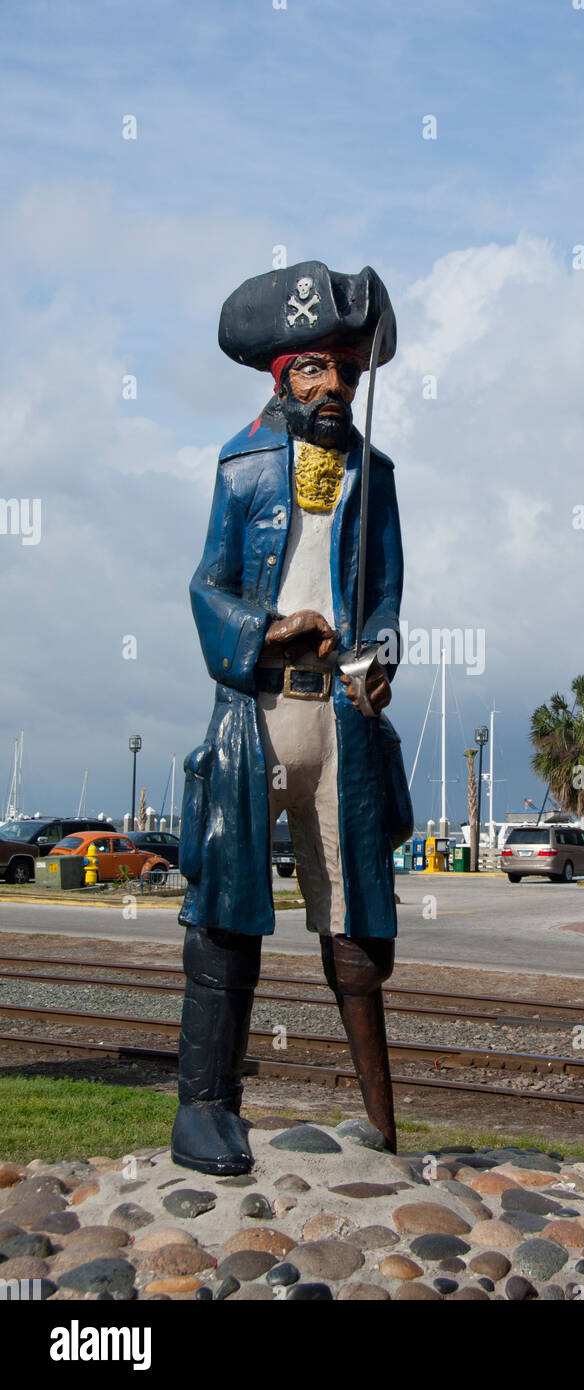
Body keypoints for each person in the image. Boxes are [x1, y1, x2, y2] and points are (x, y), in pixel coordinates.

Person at [172, 262, 413, 1175]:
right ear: (283, 375)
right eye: (315, 369)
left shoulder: (375, 475)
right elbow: (207, 585)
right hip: (257, 715)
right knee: (228, 909)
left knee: (356, 925)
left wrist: (380, 654)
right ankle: (205, 1110)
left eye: (348, 373)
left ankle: (382, 1122)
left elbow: (386, 594)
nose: (334, 388)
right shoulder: (242, 467)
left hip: (339, 724)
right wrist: (267, 631)